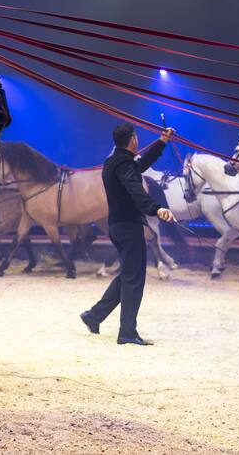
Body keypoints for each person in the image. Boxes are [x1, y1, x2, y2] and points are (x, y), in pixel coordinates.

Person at [80, 124, 176, 346]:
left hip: (118, 226)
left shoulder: (114, 162)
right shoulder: (124, 164)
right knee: (134, 278)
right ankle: (127, 332)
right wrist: (155, 208)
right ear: (132, 139)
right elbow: (134, 187)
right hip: (128, 226)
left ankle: (94, 316)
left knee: (128, 276)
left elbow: (139, 166)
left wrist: (162, 141)